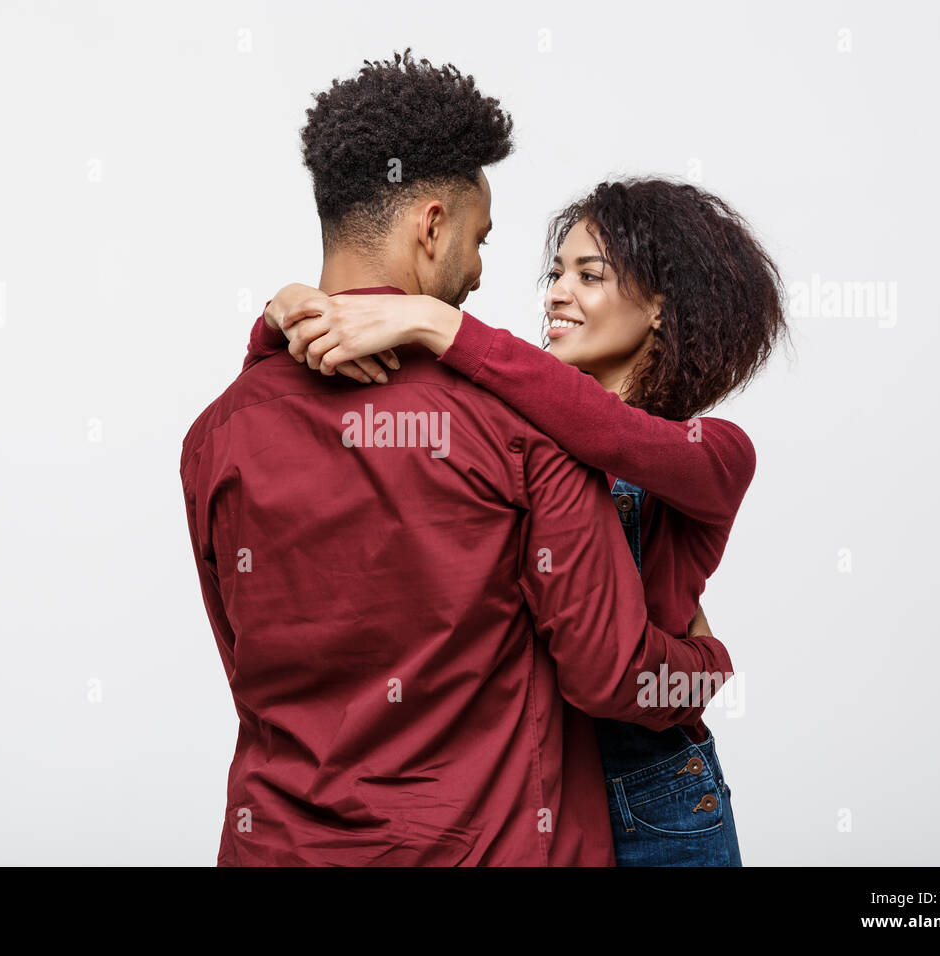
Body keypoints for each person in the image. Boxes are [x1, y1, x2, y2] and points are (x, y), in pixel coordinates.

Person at [181, 50, 733, 866]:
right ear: (431, 226)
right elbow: (610, 673)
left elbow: (244, 657)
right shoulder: (527, 428)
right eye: (477, 240)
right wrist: (706, 663)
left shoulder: (216, 434)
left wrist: (275, 329)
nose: (480, 273)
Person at [247, 177, 788, 866]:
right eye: (556, 272)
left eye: (588, 275)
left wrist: (430, 319)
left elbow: (611, 436)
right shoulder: (525, 416)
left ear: (660, 307)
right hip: (539, 786)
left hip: (657, 795)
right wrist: (281, 319)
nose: (557, 292)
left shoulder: (714, 453)